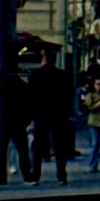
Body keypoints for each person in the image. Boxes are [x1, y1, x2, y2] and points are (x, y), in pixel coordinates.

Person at [26, 45, 75, 185]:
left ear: (43, 59)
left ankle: (35, 175)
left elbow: (31, 96)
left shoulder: (35, 74)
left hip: (41, 114)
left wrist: (31, 114)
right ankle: (61, 175)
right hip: (59, 114)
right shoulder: (64, 75)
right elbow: (69, 95)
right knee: (59, 146)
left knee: (38, 145)